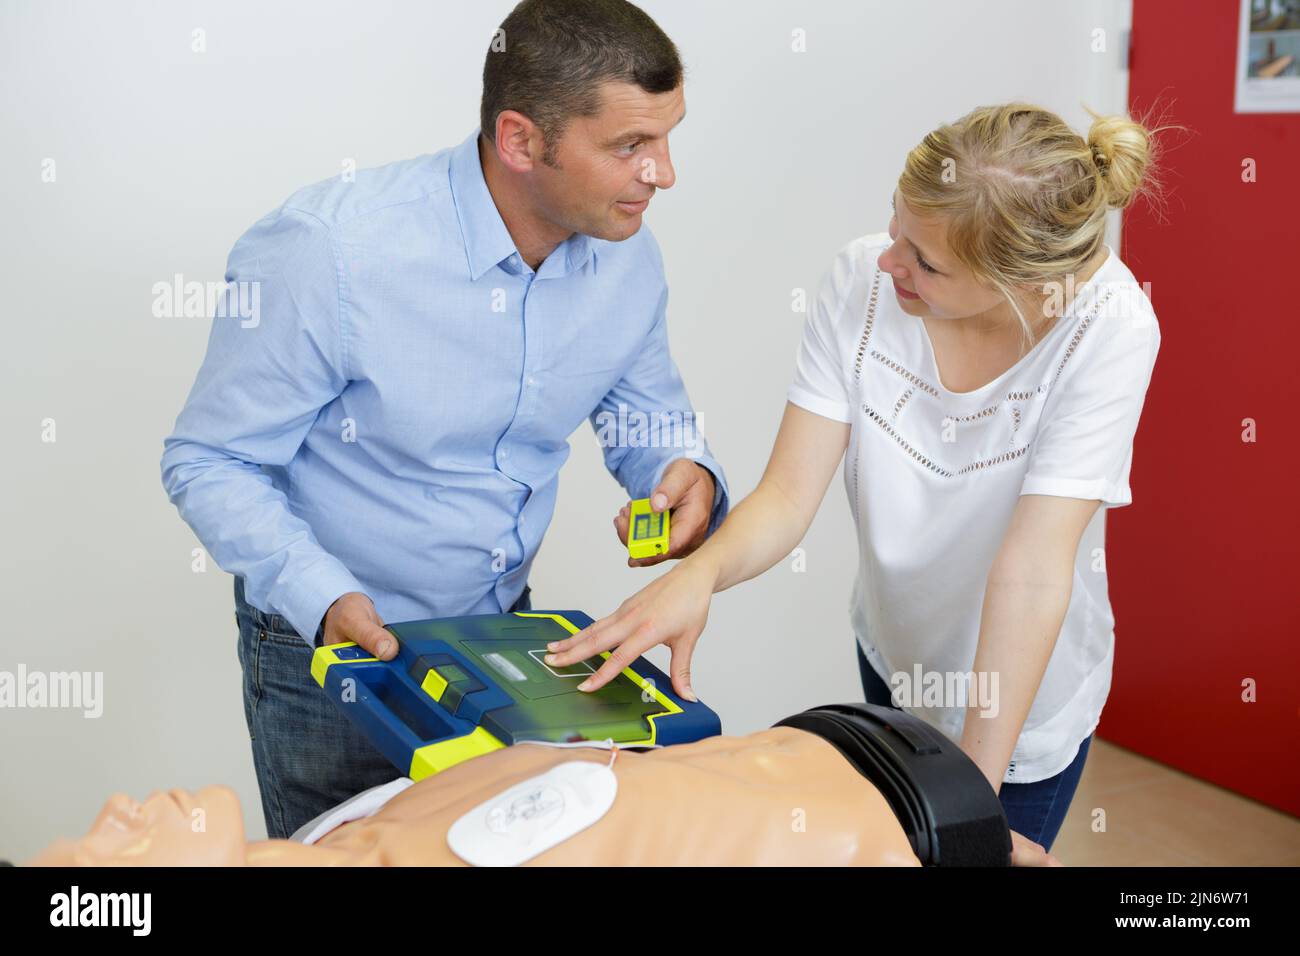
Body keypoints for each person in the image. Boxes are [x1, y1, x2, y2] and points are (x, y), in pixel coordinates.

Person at [159, 0, 728, 840]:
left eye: (667, 138)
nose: (664, 174)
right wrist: (324, 601)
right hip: (333, 654)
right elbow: (210, 460)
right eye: (629, 146)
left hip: (510, 636)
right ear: (520, 140)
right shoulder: (330, 250)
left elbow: (644, 412)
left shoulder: (625, 252)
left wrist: (682, 471)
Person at [545, 104, 1165, 854]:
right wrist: (698, 577)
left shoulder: (1109, 328)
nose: (888, 261)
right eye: (897, 228)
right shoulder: (861, 281)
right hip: (894, 653)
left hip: (1021, 700)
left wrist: (969, 807)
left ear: (1021, 284)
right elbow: (787, 495)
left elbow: (1033, 571)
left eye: (926, 262)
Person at [25, 707, 1063, 867]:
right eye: (98, 853)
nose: (114, 810)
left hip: (850, 738)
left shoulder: (341, 837)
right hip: (931, 835)